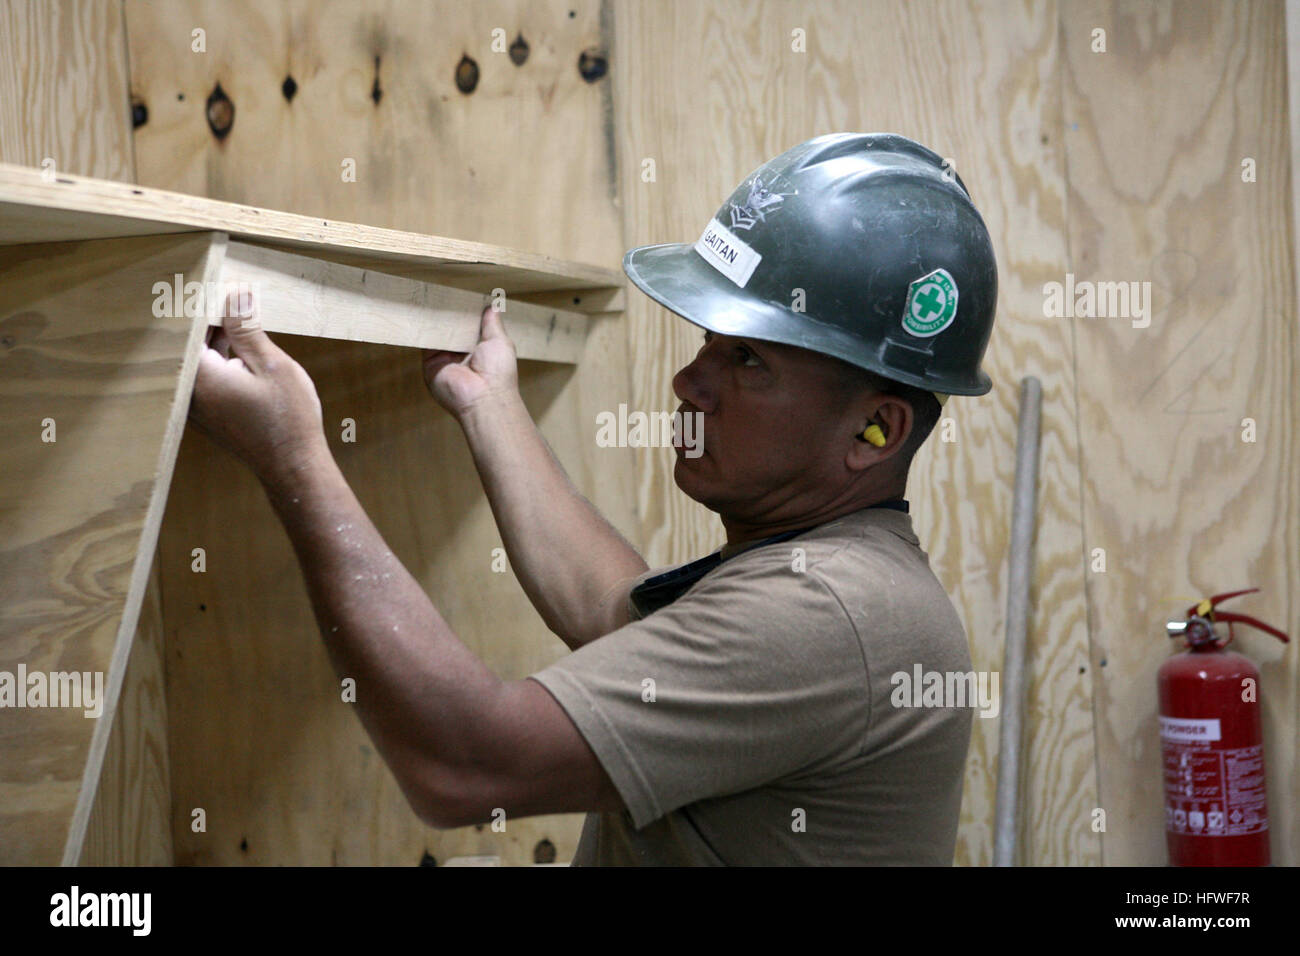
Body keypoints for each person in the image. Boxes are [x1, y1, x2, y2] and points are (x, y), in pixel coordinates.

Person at [188, 132, 998, 865]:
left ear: (876, 433)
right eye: (707, 343)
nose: (689, 382)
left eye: (749, 361)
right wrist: (487, 402)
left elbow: (466, 765)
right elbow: (616, 609)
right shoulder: (839, 578)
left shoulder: (824, 613)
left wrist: (293, 460)